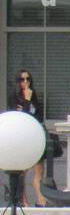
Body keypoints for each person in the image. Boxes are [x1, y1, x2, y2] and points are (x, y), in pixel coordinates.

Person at [10, 67, 45, 205]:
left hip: (35, 136)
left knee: (39, 171)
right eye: (22, 79)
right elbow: (21, 116)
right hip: (22, 137)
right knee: (22, 173)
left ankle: (41, 200)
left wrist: (30, 101)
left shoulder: (33, 94)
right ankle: (23, 202)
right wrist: (26, 101)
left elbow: (39, 115)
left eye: (28, 79)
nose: (25, 82)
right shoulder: (14, 96)